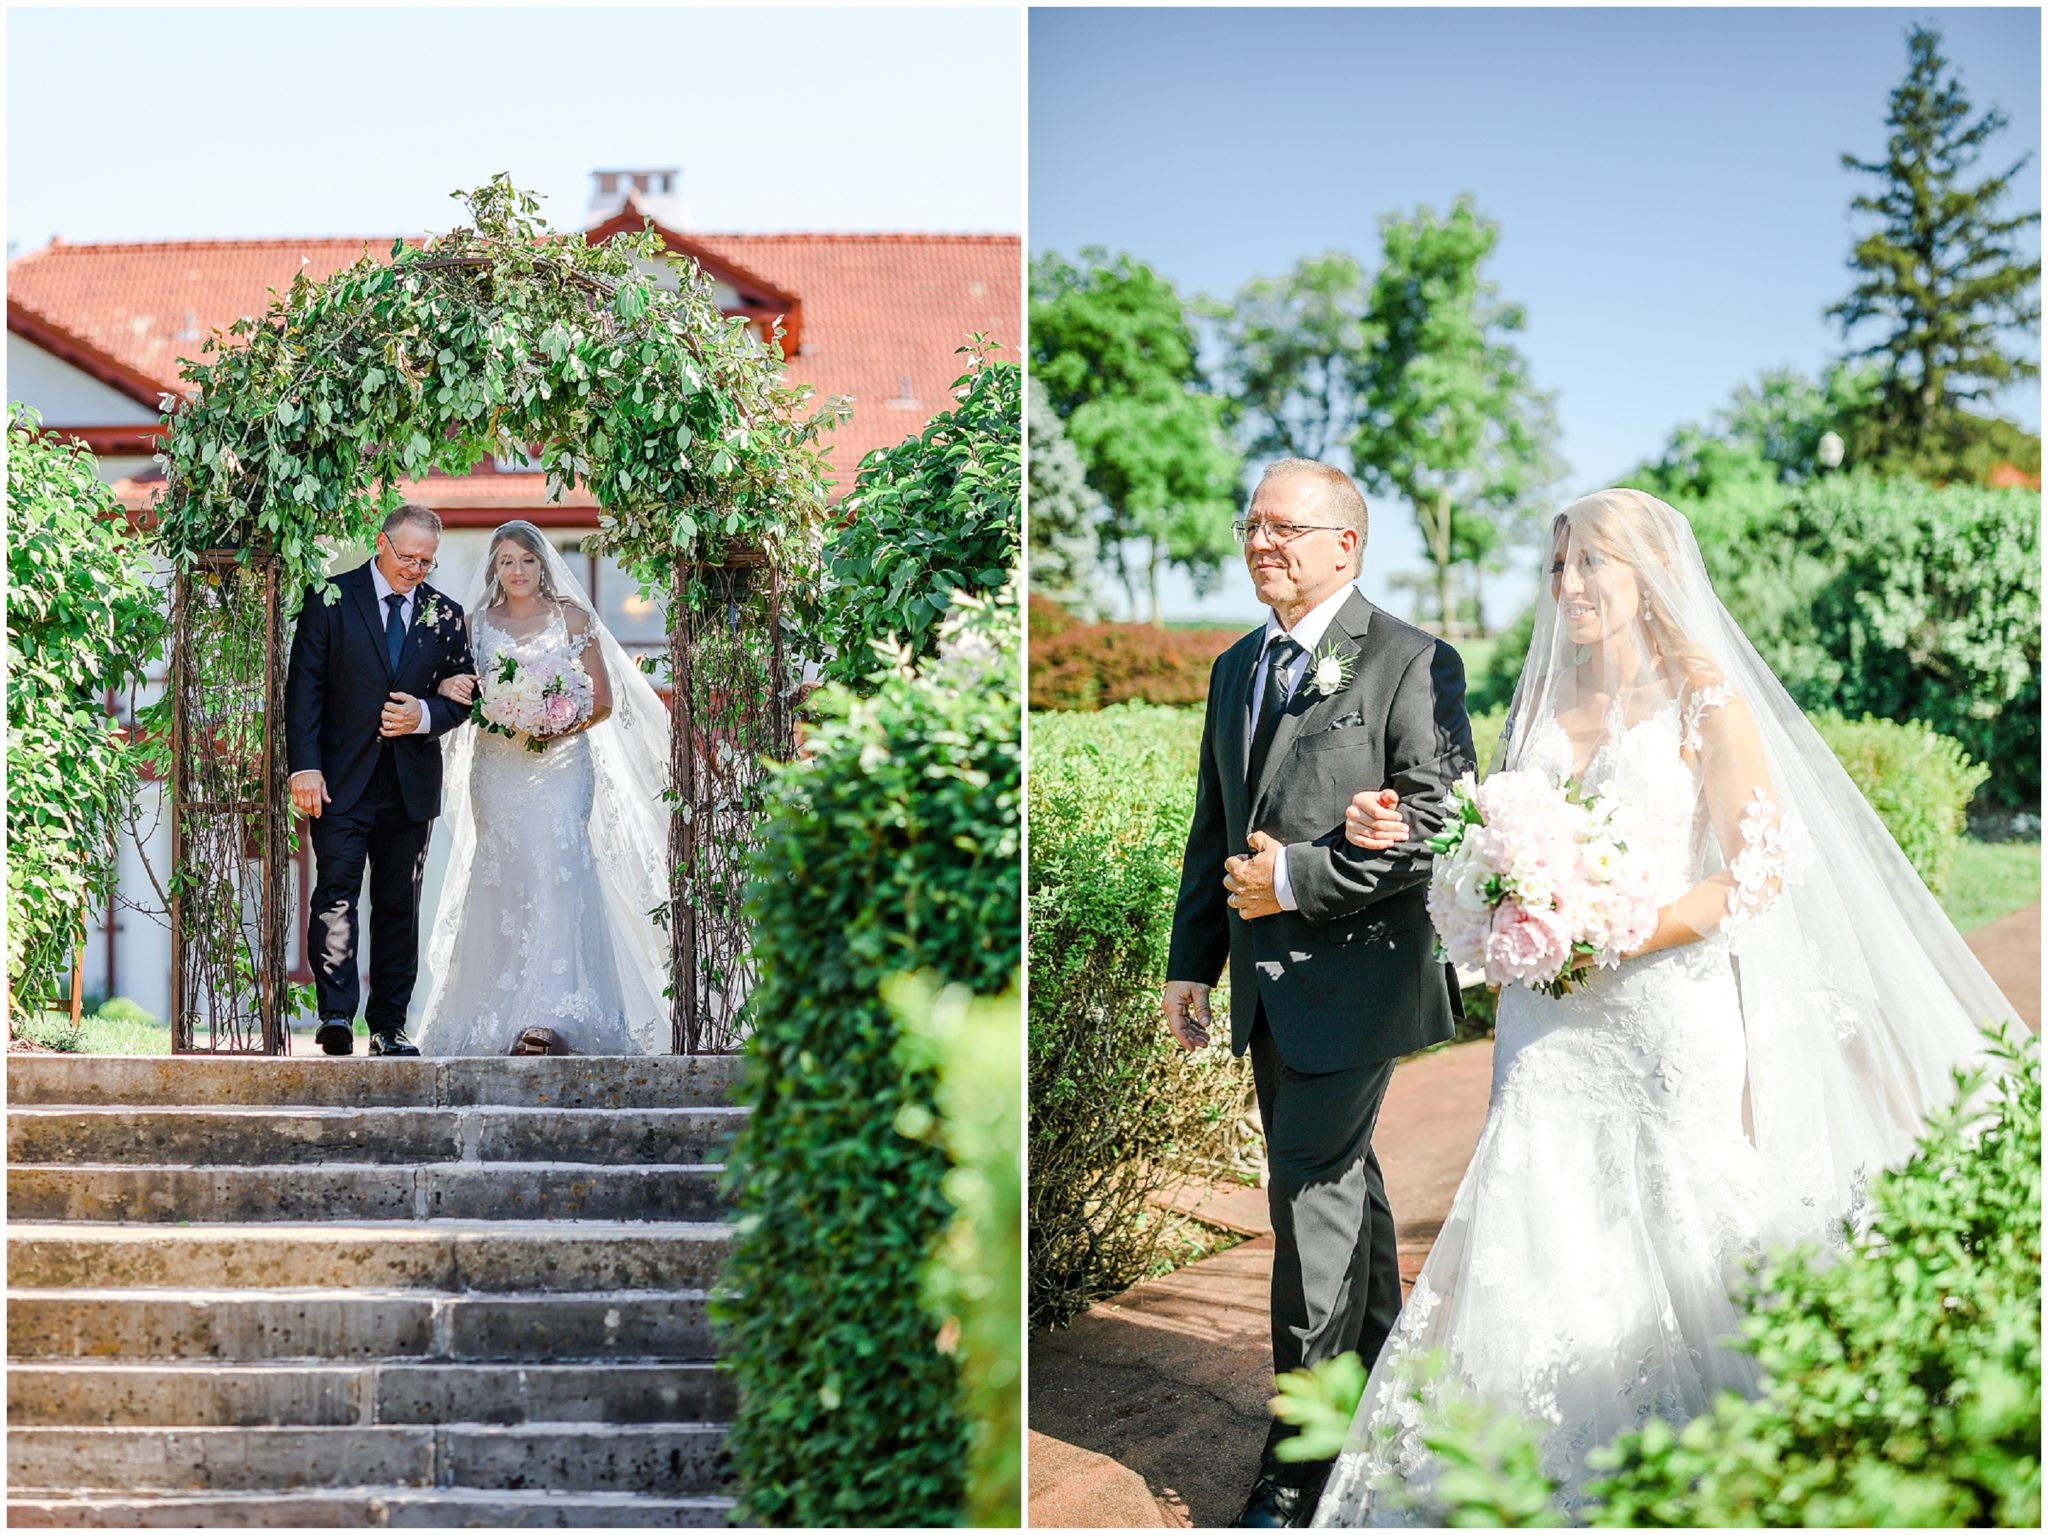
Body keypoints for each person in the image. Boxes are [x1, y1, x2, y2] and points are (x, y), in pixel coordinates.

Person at [1313, 488, 2019, 1525]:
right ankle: (1532, 1464)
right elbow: (1489, 839)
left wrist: (1608, 928)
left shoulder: (1706, 700)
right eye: (1555, 566)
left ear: (1647, 573)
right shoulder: (1543, 704)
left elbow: (1755, 873)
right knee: (1538, 1214)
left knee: (1685, 1215)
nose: (1566, 586)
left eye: (1588, 563)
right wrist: (1469, 880)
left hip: (1665, 1016)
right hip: (1548, 1023)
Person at [1161, 458, 1476, 1528]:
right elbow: (1214, 825)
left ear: (1346, 542)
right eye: (1251, 523)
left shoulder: (1410, 661)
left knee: (1305, 1203)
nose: (1260, 542)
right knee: (1343, 1183)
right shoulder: (1232, 666)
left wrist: (1293, 878)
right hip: (1261, 989)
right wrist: (1186, 960)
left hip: (1358, 980)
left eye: (1283, 527)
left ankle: (1302, 1460)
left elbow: (1434, 824)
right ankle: (1389, 1380)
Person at [409, 520, 672, 1056]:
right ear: (494, 569)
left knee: (558, 869)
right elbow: (454, 688)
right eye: (506, 561)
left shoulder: (573, 618)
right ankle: (494, 1013)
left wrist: (553, 723)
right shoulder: (475, 624)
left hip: (562, 767)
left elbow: (602, 701)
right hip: (499, 767)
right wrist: (491, 704)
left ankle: (551, 1016)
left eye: (526, 559)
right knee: (503, 874)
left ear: (542, 564)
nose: (517, 570)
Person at [284, 503, 475, 1057]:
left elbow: (465, 696)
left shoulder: (447, 614)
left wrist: (426, 716)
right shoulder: (329, 599)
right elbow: (305, 691)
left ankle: (389, 1025)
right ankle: (337, 1017)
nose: (416, 569)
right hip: (339, 779)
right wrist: (305, 765)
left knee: (399, 904)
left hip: (410, 784)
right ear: (380, 542)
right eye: (408, 556)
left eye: (426, 562)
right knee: (335, 895)